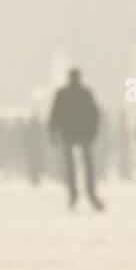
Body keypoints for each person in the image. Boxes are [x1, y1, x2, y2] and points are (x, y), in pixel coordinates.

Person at [47, 68, 103, 209]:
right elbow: (94, 114)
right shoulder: (85, 93)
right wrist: (92, 133)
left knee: (70, 166)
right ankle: (90, 192)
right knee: (88, 166)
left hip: (68, 134)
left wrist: (53, 133)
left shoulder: (62, 94)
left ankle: (73, 193)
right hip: (83, 134)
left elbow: (54, 115)